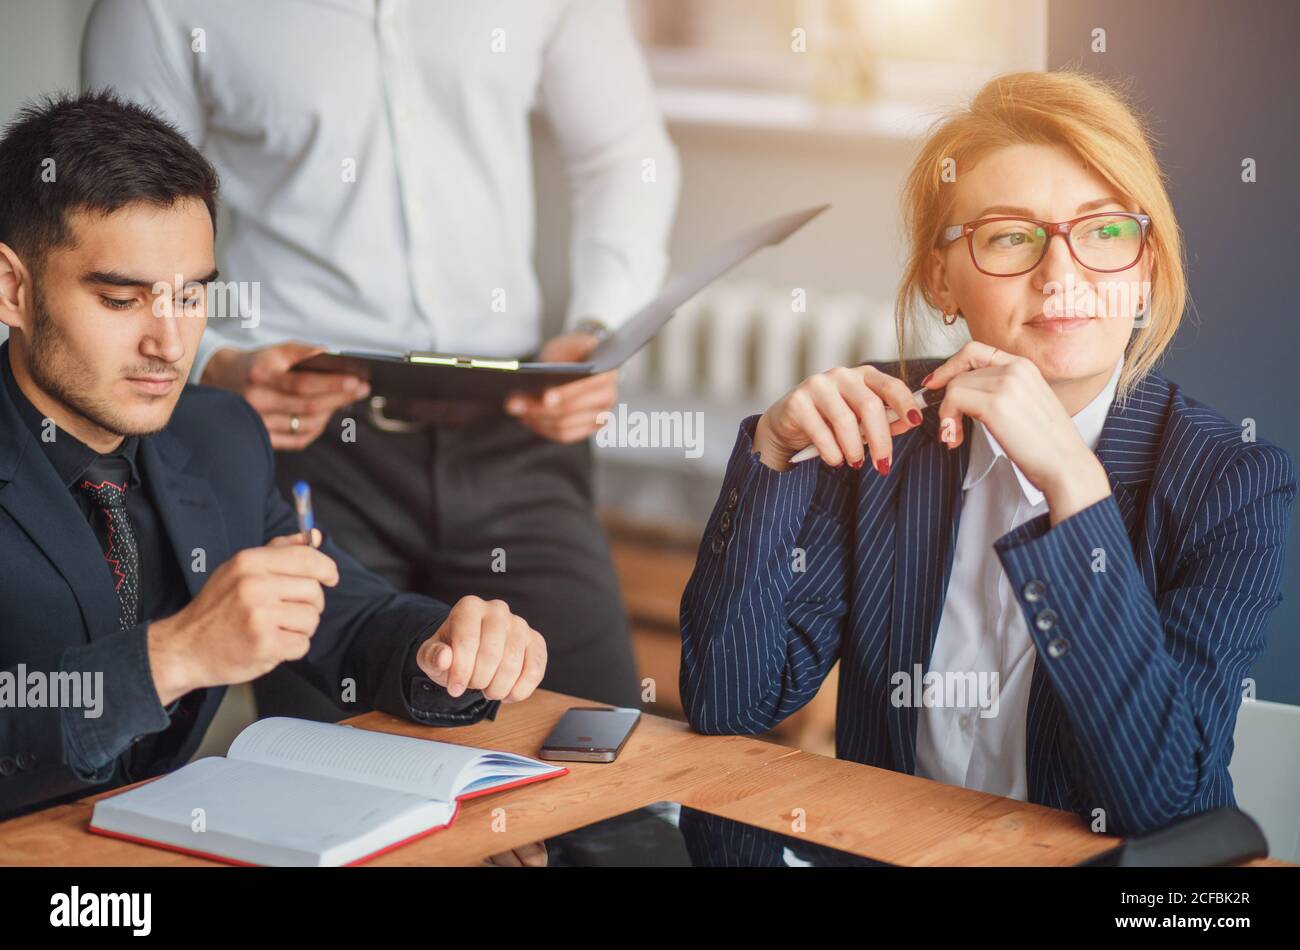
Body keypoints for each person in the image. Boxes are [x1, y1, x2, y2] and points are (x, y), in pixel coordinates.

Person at [678, 71, 1297, 837]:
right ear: (942, 278)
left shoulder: (1232, 482)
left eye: (1103, 232)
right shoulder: (887, 434)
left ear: (1144, 273)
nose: (1061, 276)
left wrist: (1073, 485)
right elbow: (728, 703)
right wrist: (772, 454)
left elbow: (1169, 808)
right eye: (1011, 236)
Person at [81, 0, 680, 716]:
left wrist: (598, 327)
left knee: (599, 753)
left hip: (517, 437)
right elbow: (115, 220)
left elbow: (626, 157)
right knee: (342, 779)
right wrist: (212, 362)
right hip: (304, 445)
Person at [0, 91, 546, 821]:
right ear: (13, 288)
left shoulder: (219, 435)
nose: (169, 343)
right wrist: (174, 656)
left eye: (191, 296)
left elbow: (346, 620)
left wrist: (443, 649)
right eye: (123, 301)